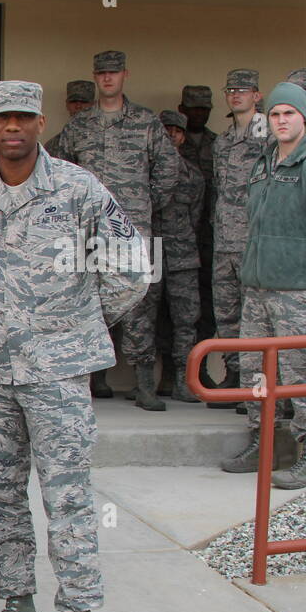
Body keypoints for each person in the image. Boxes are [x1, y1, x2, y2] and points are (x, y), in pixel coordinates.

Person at [0, 81, 146, 612]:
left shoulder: (78, 188)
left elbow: (132, 268)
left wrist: (75, 324)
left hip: (57, 374)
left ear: (41, 123)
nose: (12, 127)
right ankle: (17, 607)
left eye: (24, 118)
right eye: (2, 116)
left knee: (67, 499)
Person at [49, 50, 177, 407]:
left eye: (114, 73)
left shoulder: (146, 122)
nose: (108, 79)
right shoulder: (79, 125)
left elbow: (169, 169)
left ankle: (144, 382)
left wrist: (144, 204)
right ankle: (94, 380)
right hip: (86, 234)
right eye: (102, 73)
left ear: (125, 75)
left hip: (135, 232)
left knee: (141, 303)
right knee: (88, 301)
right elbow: (61, 173)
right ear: (95, 76)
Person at [224, 82, 306, 486]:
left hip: (297, 289)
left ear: (304, 118)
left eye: (289, 113)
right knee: (255, 372)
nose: (281, 120)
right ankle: (265, 444)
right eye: (275, 114)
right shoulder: (264, 162)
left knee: (299, 375)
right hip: (257, 288)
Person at [209, 68, 267, 404]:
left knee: (254, 317)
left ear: (257, 95)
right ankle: (233, 377)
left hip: (252, 241)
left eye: (243, 90)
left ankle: (254, 388)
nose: (236, 95)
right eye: (231, 89)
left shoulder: (269, 136)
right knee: (226, 314)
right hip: (224, 243)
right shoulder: (223, 140)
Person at [138, 111, 204, 404]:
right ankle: (144, 384)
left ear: (183, 136)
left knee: (185, 319)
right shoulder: (142, 173)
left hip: (182, 256)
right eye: (166, 130)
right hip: (149, 253)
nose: (172, 135)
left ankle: (182, 380)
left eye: (177, 131)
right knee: (144, 320)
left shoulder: (194, 175)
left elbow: (196, 216)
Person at [177, 84, 219, 383]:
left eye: (204, 109)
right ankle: (174, 373)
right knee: (176, 310)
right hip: (179, 239)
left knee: (206, 307)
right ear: (183, 110)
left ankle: (201, 368)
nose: (198, 114)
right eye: (193, 108)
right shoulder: (170, 144)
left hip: (212, 236)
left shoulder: (219, 145)